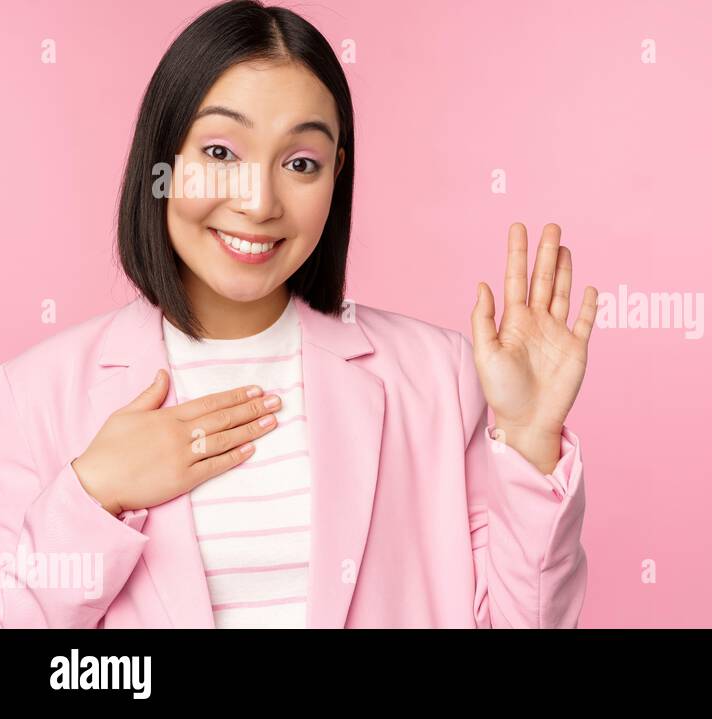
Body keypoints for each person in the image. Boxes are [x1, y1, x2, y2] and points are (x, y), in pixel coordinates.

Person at [0, 0, 595, 628]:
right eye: (221, 153)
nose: (259, 203)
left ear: (335, 175)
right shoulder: (31, 396)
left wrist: (530, 439)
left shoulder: (439, 377)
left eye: (300, 163)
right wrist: (93, 494)